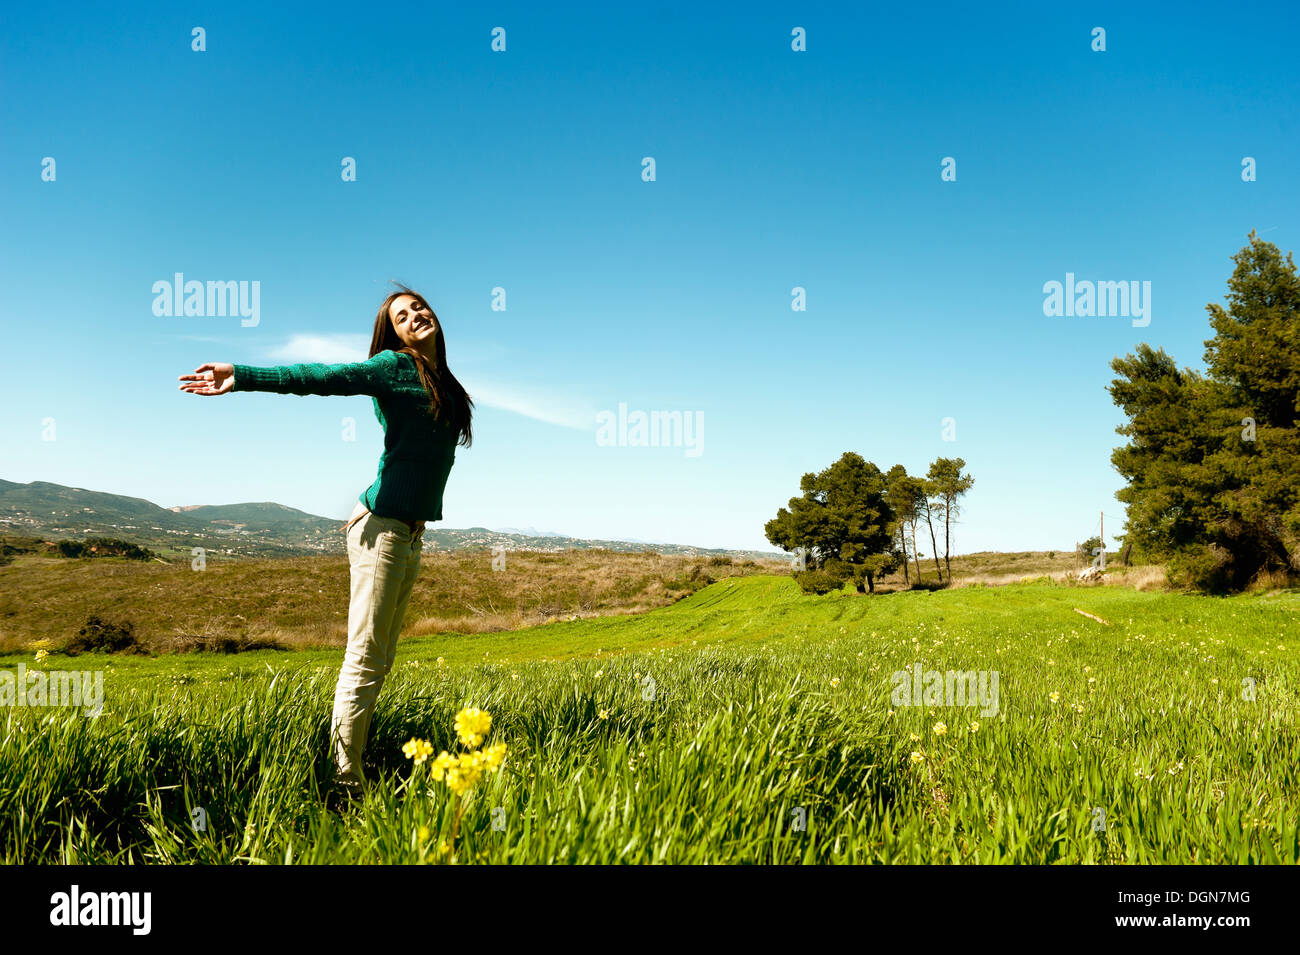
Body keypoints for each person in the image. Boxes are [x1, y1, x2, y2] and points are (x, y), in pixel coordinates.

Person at [178, 284, 473, 804]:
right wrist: (243, 376)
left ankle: (353, 760)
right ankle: (345, 785)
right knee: (364, 657)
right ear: (393, 333)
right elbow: (322, 377)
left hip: (408, 532)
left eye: (419, 307)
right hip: (380, 529)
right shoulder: (393, 367)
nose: (416, 315)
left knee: (380, 658)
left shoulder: (443, 381)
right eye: (403, 316)